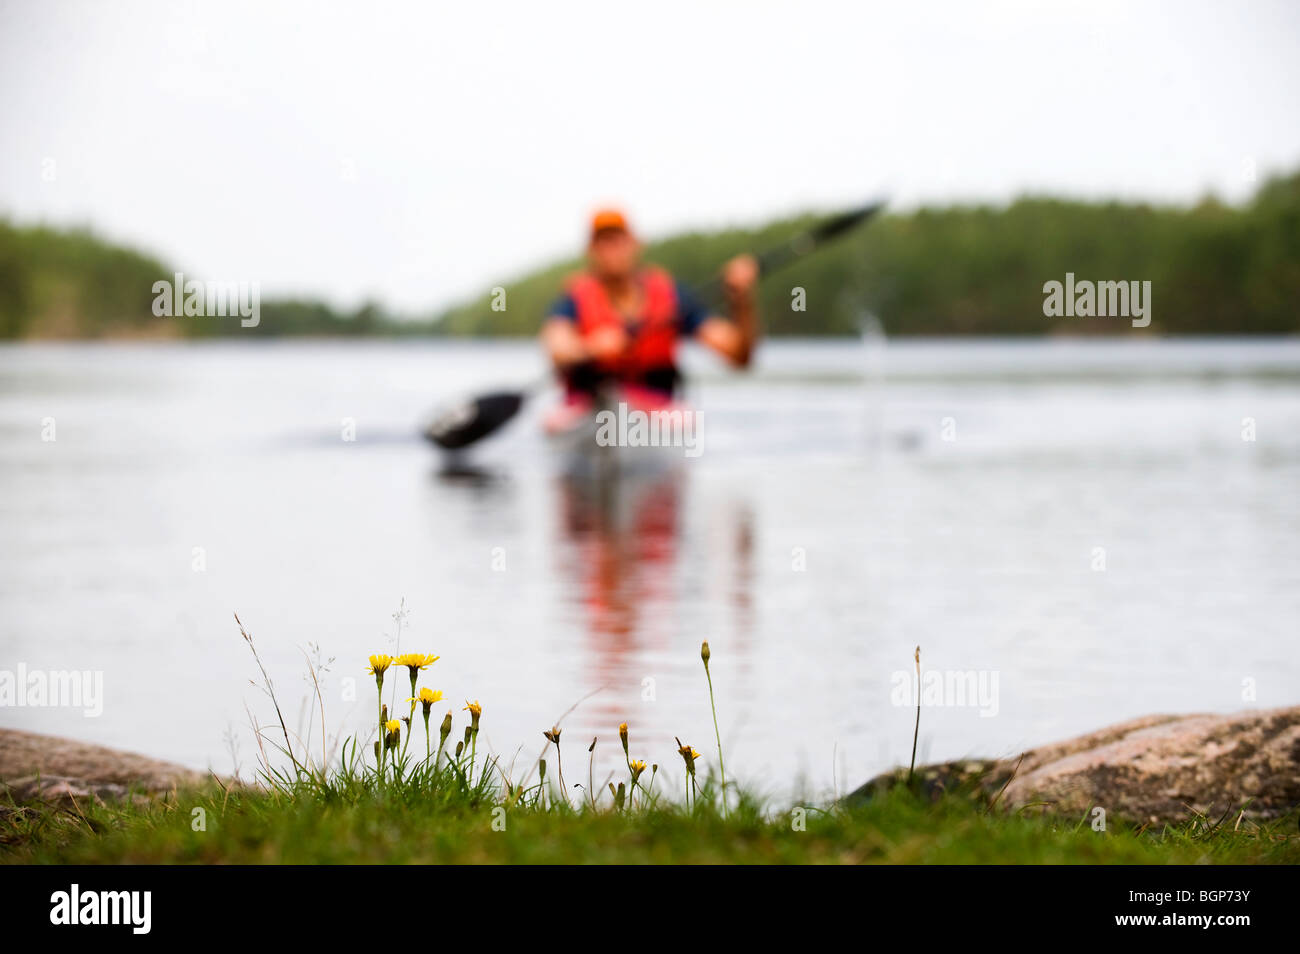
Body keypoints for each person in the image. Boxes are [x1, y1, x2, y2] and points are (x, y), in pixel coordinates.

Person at [540, 209, 758, 414]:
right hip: (589, 407)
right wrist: (590, 348)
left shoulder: (673, 297)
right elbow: (557, 347)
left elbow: (740, 356)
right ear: (591, 250)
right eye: (603, 243)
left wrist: (741, 302)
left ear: (635, 244)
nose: (612, 251)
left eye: (618, 241)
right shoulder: (573, 300)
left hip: (656, 411)